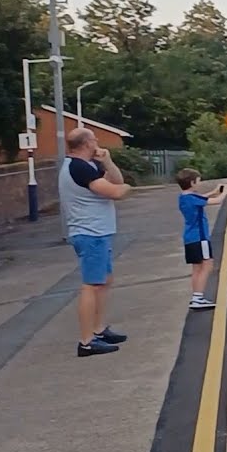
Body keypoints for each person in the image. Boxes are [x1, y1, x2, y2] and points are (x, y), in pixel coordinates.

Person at [61, 127, 132, 357]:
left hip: (97, 232)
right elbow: (115, 190)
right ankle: (86, 341)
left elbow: (115, 179)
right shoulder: (79, 167)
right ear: (86, 144)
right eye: (94, 139)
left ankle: (99, 329)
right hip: (90, 233)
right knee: (91, 285)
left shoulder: (88, 165)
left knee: (104, 280)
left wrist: (108, 162)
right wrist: (125, 189)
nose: (97, 142)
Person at [176, 168, 226, 309]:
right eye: (198, 181)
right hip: (200, 237)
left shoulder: (184, 197)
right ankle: (198, 298)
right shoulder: (193, 198)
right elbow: (217, 201)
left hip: (190, 238)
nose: (199, 183)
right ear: (192, 183)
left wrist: (215, 190)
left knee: (196, 268)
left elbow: (202, 198)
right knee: (207, 265)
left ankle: (196, 297)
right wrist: (225, 191)